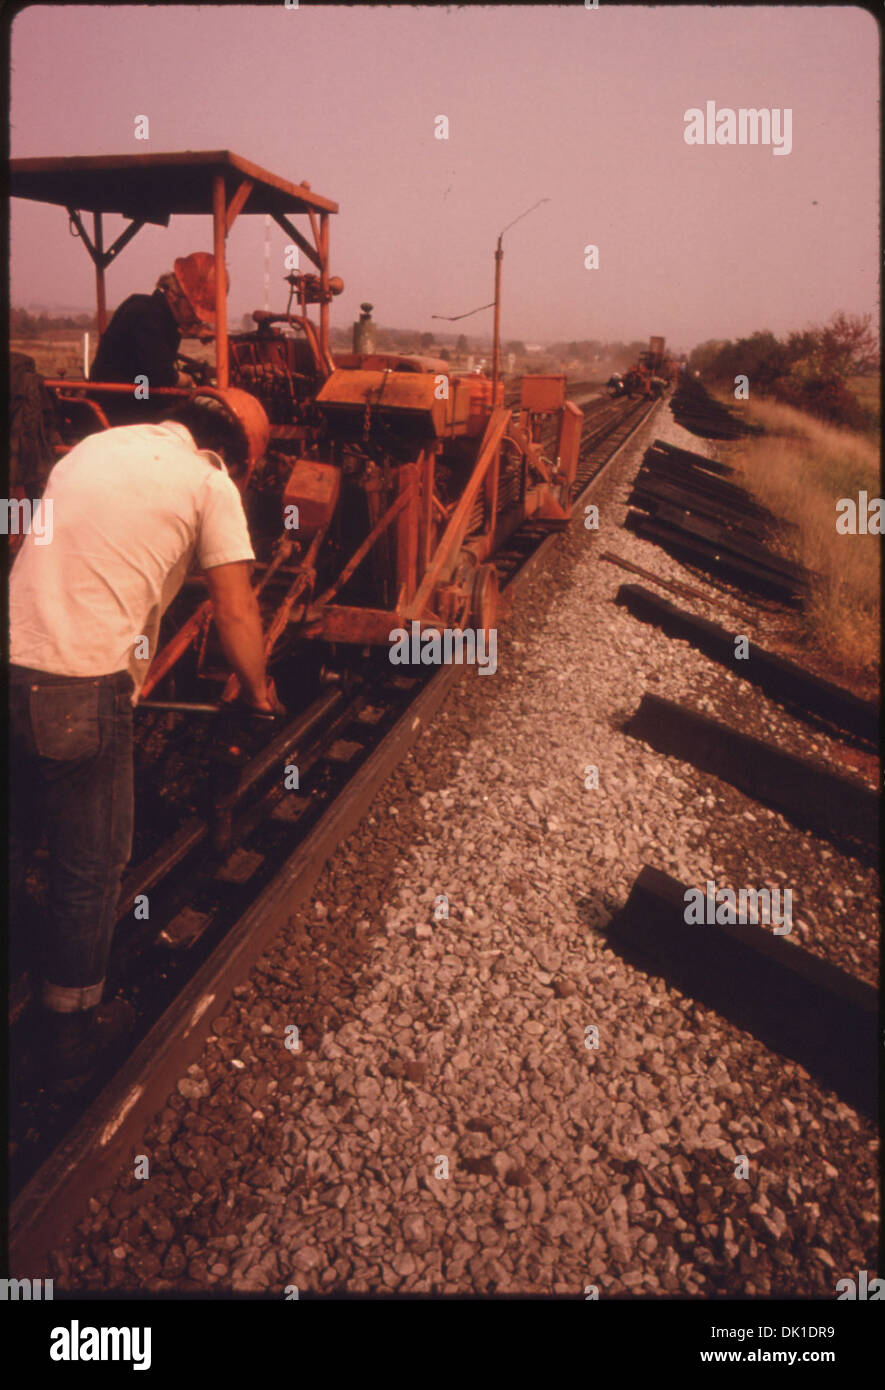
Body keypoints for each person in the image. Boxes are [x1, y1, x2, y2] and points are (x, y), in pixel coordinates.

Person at [9, 396, 282, 1086]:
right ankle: (68, 1033)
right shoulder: (208, 481)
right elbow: (235, 607)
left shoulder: (97, 448)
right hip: (80, 683)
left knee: (13, 838)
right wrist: (257, 693)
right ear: (233, 456)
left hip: (12, 662)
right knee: (91, 863)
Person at [89, 252, 226, 391]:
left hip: (136, 395)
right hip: (118, 402)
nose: (196, 318)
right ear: (173, 295)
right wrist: (188, 379)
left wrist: (191, 332)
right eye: (192, 309)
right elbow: (158, 375)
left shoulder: (158, 315)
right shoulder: (144, 313)